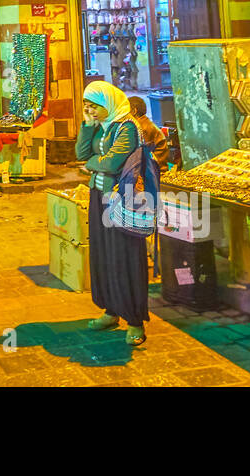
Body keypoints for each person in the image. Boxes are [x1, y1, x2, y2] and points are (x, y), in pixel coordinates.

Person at [80, 80, 149, 347]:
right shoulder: (100, 128)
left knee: (124, 256)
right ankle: (110, 309)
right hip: (98, 197)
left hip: (122, 199)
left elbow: (110, 164)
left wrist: (92, 164)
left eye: (94, 106)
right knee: (103, 254)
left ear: (108, 103)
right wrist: (87, 127)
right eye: (86, 106)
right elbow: (81, 152)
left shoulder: (127, 128)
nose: (90, 111)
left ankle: (134, 320)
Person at [127, 95, 170, 172]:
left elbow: (139, 154)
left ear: (134, 111)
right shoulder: (144, 123)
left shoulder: (142, 128)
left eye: (126, 111)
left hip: (156, 171)